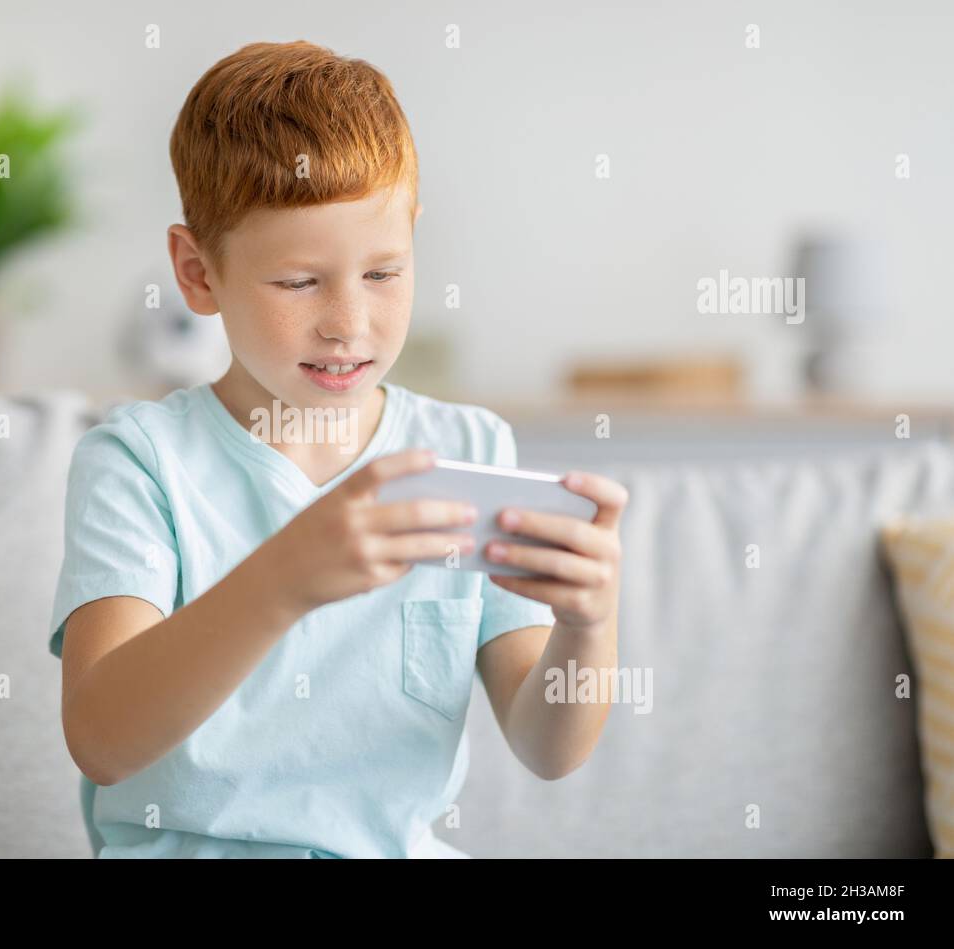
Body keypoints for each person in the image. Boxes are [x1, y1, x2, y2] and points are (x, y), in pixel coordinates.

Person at [49, 40, 628, 858]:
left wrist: (588, 625)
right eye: (297, 282)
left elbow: (548, 747)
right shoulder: (140, 461)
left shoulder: (468, 447)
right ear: (197, 271)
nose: (349, 323)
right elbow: (102, 738)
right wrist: (285, 578)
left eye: (384, 273)